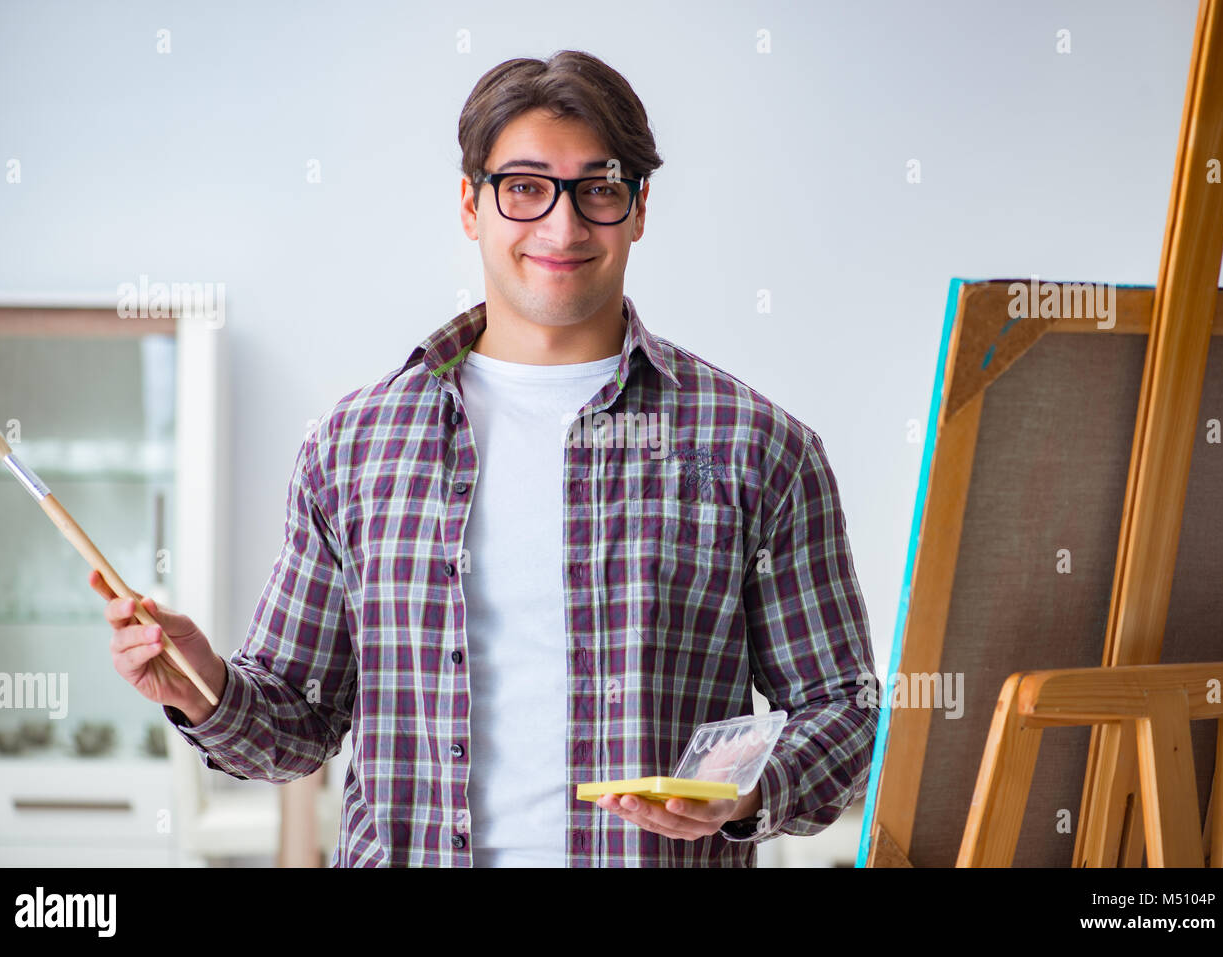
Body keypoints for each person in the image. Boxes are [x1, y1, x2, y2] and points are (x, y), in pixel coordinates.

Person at [92, 49, 878, 867]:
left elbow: (843, 710)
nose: (563, 226)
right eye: (526, 187)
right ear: (471, 204)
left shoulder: (759, 446)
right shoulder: (354, 447)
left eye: (599, 189)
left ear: (639, 210)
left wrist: (747, 790)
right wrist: (206, 689)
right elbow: (296, 721)